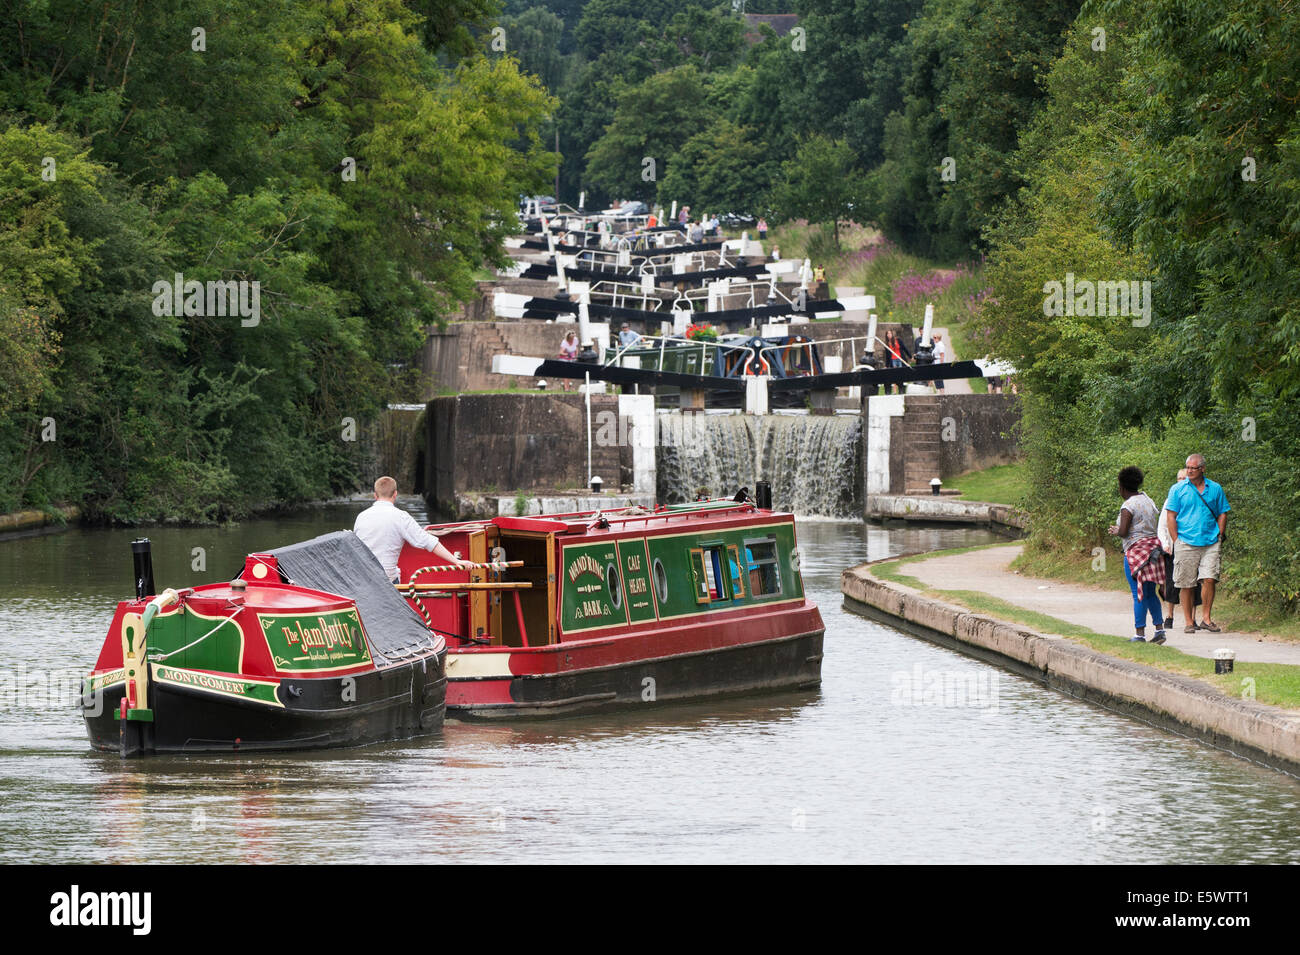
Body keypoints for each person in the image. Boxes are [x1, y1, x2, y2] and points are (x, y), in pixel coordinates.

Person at [354, 477, 472, 583]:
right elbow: (429, 542)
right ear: (395, 494)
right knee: (393, 574)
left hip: (363, 578)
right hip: (386, 580)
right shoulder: (400, 517)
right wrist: (456, 561)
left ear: (375, 495)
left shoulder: (361, 517)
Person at [1166, 453, 1230, 633]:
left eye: (1193, 468)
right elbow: (1171, 515)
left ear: (1202, 469)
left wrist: (1220, 534)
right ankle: (1188, 621)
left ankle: (1206, 618)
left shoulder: (1215, 488)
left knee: (1209, 578)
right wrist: (1176, 539)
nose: (1189, 471)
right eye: (1188, 468)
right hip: (1185, 541)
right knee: (1186, 583)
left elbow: (1223, 512)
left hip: (1210, 541)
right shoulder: (1177, 489)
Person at [1107, 466, 1167, 643]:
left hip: (1136, 553)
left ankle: (1139, 634)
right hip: (1154, 550)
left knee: (1138, 593)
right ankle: (1159, 630)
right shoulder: (1147, 500)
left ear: (1122, 486)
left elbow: (1125, 532)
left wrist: (1116, 530)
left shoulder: (1128, 506)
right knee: (1150, 592)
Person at [1157, 468, 1200, 629]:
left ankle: (1193, 618)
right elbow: (1162, 526)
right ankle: (1170, 615)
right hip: (1173, 547)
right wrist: (1166, 544)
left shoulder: (1195, 496)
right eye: (1179, 478)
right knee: (1172, 581)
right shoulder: (1170, 500)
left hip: (1192, 544)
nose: (1181, 481)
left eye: (1184, 478)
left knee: (1193, 582)